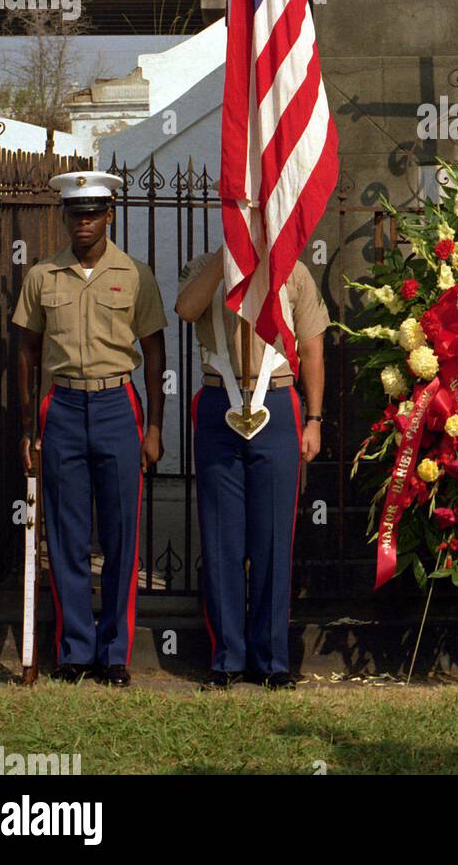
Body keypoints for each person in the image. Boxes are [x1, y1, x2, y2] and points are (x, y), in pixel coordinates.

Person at [13, 171, 167, 686]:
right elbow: (26, 352)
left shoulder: (137, 274)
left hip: (117, 406)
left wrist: (154, 428)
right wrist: (26, 428)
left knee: (123, 535)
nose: (83, 223)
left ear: (109, 215)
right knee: (66, 534)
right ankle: (75, 649)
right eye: (75, 213)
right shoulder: (42, 276)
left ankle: (115, 653)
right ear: (64, 217)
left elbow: (155, 353)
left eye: (92, 212)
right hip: (61, 409)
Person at [175, 247, 328, 689]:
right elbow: (187, 309)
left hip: (277, 403)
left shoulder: (295, 272)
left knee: (273, 538)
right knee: (222, 538)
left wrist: (314, 419)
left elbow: (313, 349)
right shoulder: (203, 265)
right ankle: (227, 658)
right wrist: (228, 255)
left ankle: (272, 660)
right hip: (220, 401)